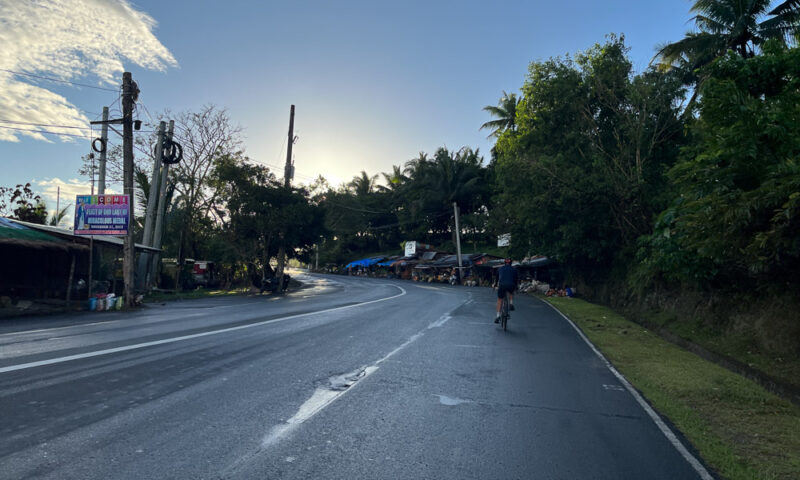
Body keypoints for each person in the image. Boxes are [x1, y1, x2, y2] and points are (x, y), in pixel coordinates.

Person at [495, 258, 518, 323]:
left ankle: (497, 316)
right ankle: (511, 303)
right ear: (511, 263)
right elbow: (516, 279)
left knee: (499, 299)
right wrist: (516, 287)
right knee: (511, 291)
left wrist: (495, 285)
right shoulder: (514, 269)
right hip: (511, 285)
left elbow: (497, 278)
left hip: (502, 285)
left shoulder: (500, 268)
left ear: (504, 263)